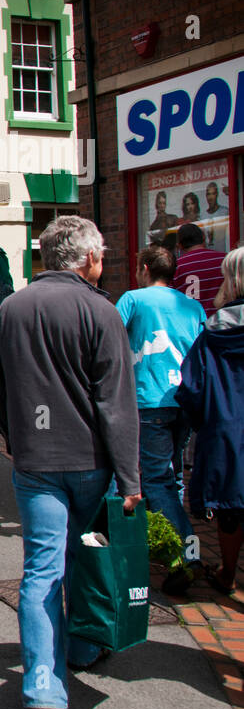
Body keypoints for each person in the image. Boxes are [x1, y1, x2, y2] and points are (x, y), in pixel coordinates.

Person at [0, 216, 141, 709]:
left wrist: (15, 436)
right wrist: (130, 477)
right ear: (88, 258)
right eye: (101, 255)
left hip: (36, 461)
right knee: (85, 560)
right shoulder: (101, 310)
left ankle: (42, 687)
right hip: (90, 461)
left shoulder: (12, 309)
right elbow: (116, 404)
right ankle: (76, 648)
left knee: (41, 571)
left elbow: (0, 388)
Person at [116, 246, 206, 594]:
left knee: (155, 481)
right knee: (172, 478)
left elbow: (109, 339)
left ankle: (186, 553)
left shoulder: (133, 299)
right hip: (183, 400)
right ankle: (169, 549)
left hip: (149, 400)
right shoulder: (192, 306)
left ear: (143, 268)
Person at [176, 246, 244, 597]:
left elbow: (192, 387)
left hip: (226, 429)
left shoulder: (213, 333)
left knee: (232, 508)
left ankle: (228, 573)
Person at [174, 222, 225, 317]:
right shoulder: (225, 260)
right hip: (223, 322)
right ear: (203, 238)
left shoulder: (177, 266)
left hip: (193, 325)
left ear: (180, 245)